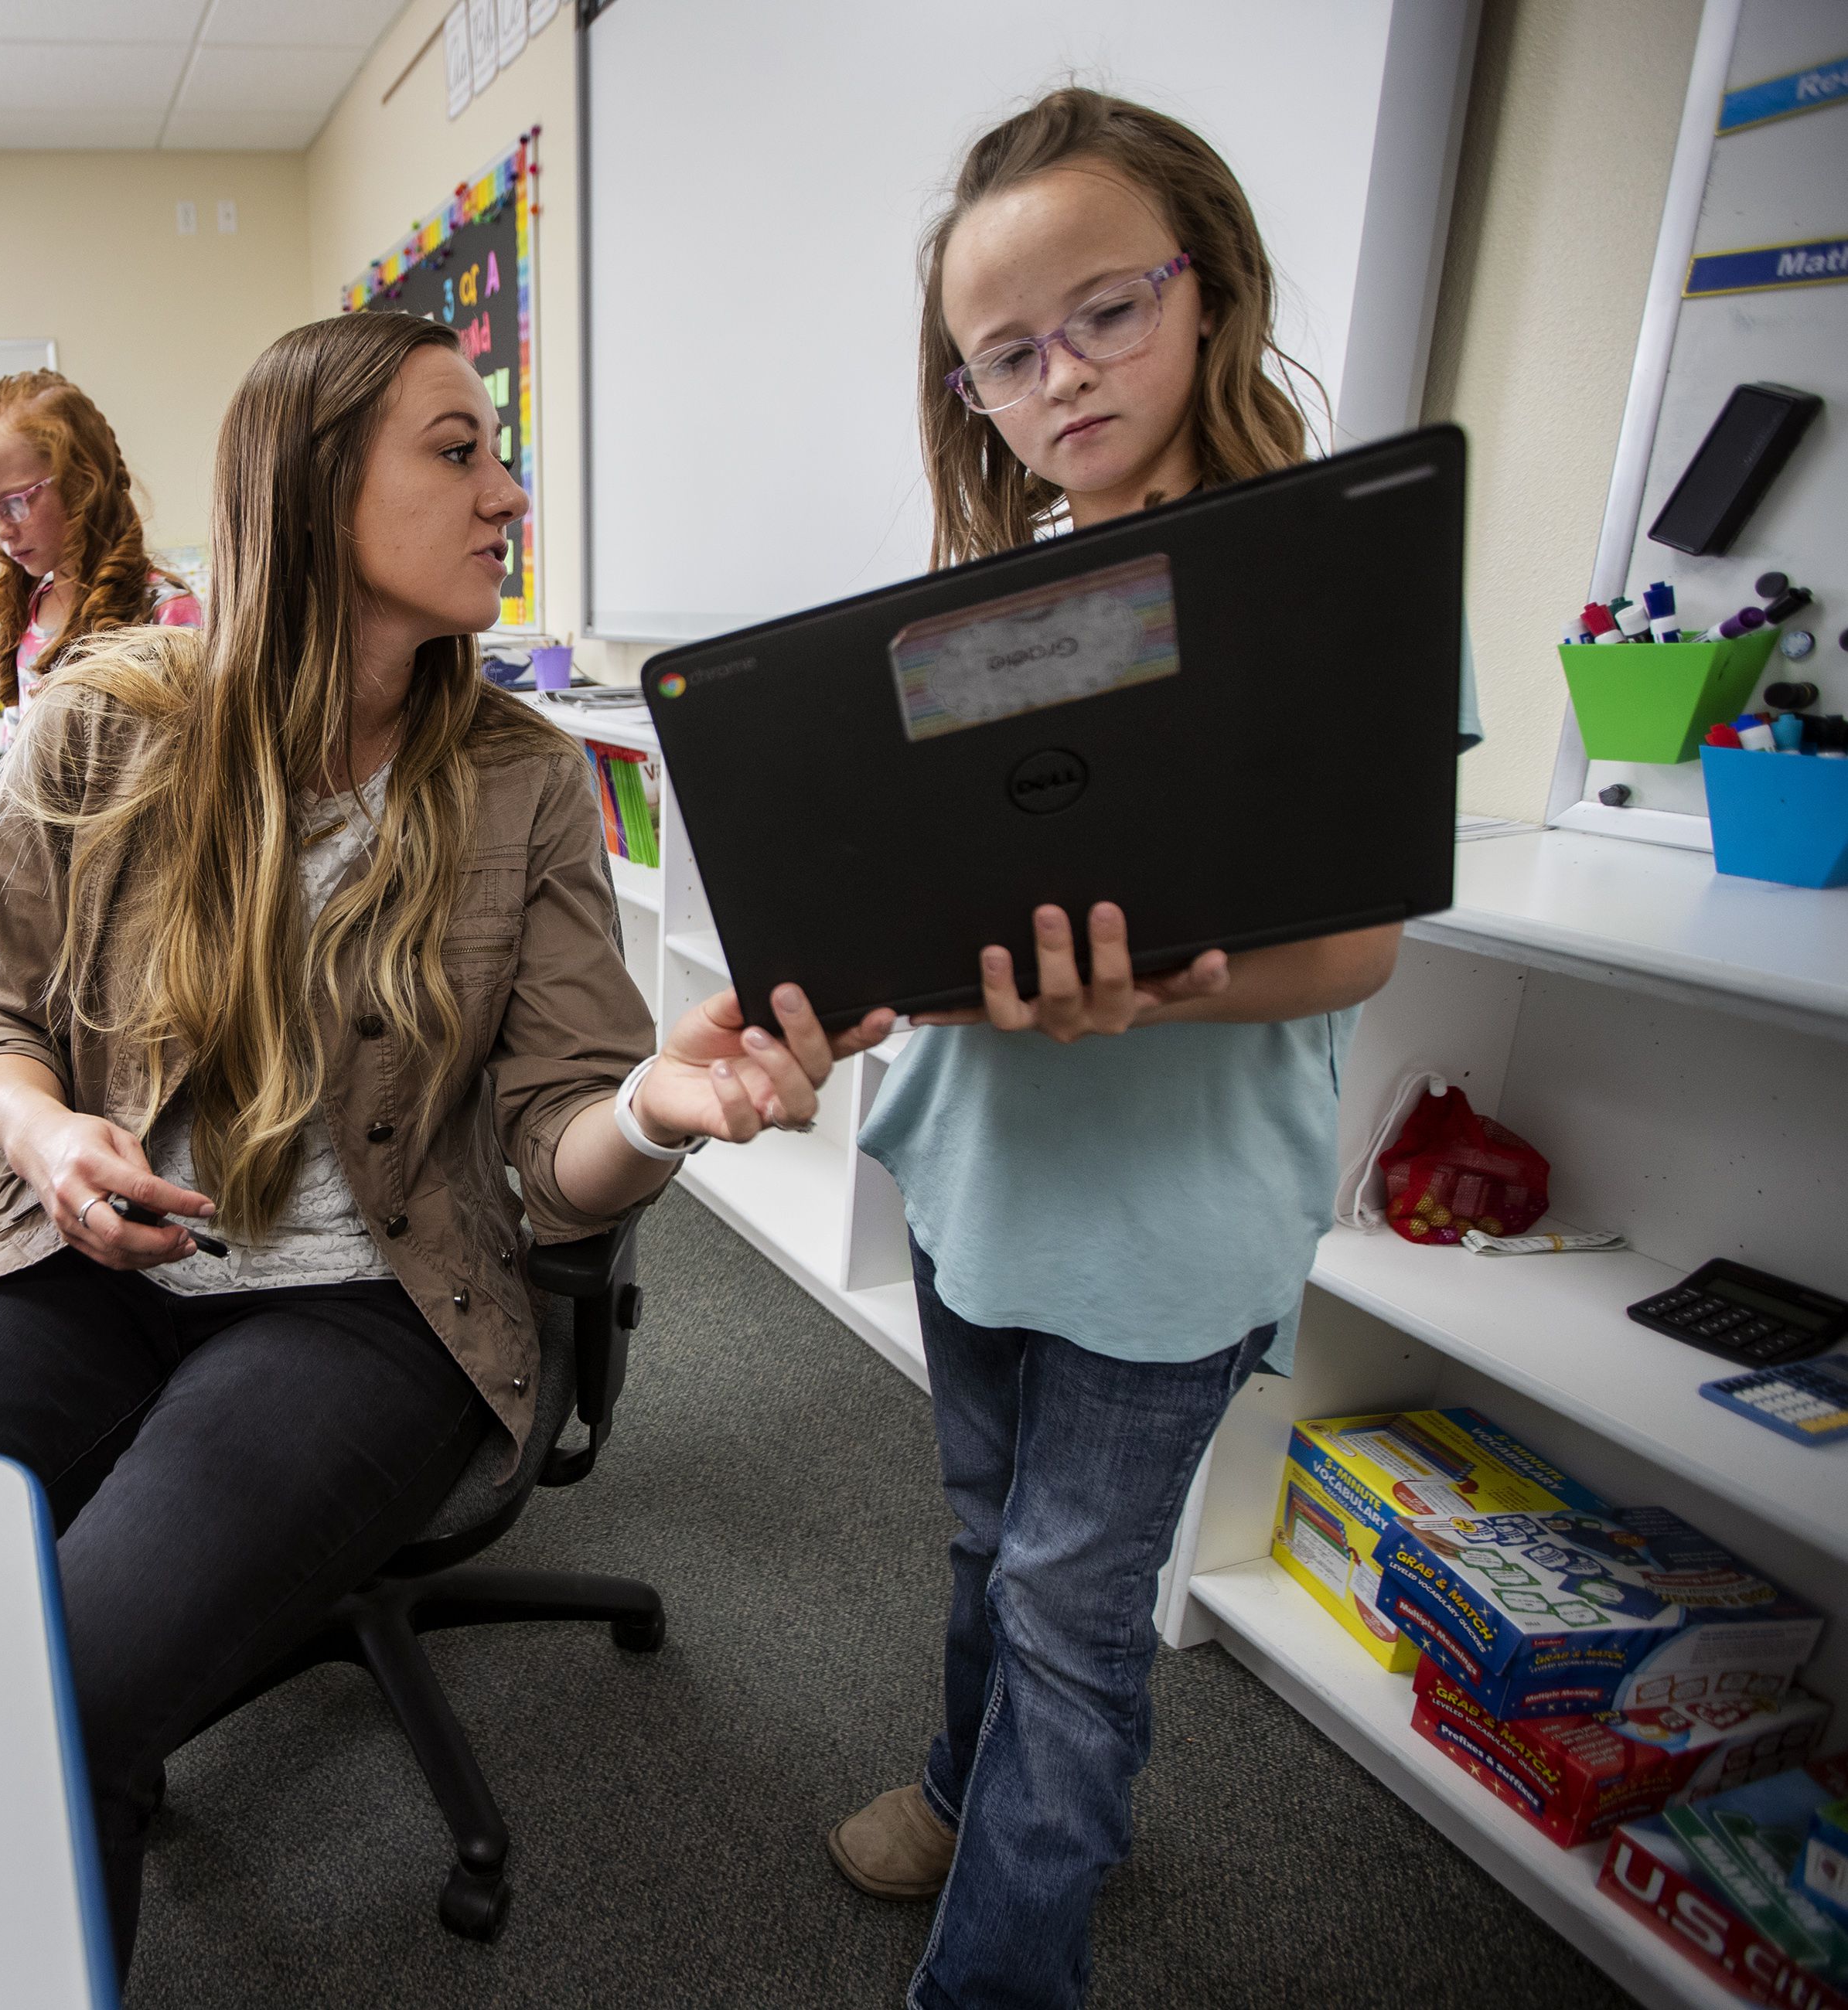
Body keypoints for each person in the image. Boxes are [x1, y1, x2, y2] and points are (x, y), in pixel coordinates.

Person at [0, 310, 894, 1974]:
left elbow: (549, 1162)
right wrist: (41, 1128)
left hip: (369, 1301)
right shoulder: (100, 725)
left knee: (65, 1692)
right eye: (458, 452)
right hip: (93, 1256)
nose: (510, 495)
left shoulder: (519, 780)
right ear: (312, 491)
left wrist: (655, 1112)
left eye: (497, 454)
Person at [820, 88, 1480, 2010]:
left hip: (1170, 1216)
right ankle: (975, 1787)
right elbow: (926, 897)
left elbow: (1352, 943)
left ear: (1211, 292)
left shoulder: (1341, 582)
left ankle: (1006, 1963)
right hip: (974, 1166)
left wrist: (1171, 978)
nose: (1060, 376)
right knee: (981, 1540)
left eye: (1103, 314)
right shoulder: (983, 610)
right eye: (1004, 355)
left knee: (1072, 1600)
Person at [0, 370, 201, 949]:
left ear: (83, 483)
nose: (3, 530)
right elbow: (13, 779)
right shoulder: (28, 612)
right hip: (52, 902)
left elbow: (200, 788)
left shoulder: (167, 613)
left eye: (15, 503)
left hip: (147, 911)